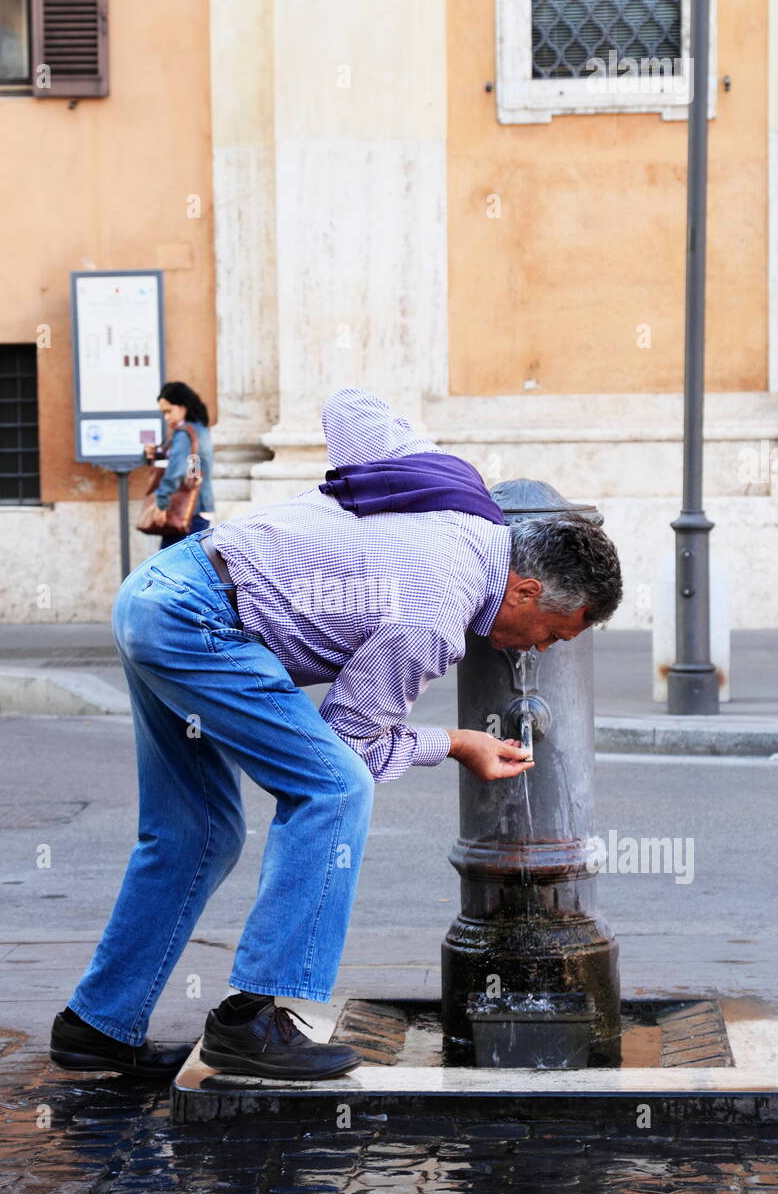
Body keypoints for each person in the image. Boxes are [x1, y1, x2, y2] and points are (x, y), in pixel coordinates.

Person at [50, 387, 622, 1082]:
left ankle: (96, 1026)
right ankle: (250, 1020)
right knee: (335, 790)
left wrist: (397, 472)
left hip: (162, 589)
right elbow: (348, 744)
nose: (543, 652)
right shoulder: (432, 621)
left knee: (198, 833)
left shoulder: (460, 494)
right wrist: (457, 743)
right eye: (555, 635)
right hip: (201, 622)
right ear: (528, 591)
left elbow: (348, 409)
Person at [144, 380, 216, 549]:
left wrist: (161, 504)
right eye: (163, 413)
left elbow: (176, 471)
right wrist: (157, 453)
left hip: (186, 511)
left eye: (169, 411)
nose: (166, 417)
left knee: (169, 568)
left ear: (183, 407)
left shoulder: (184, 435)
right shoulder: (199, 429)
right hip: (200, 508)